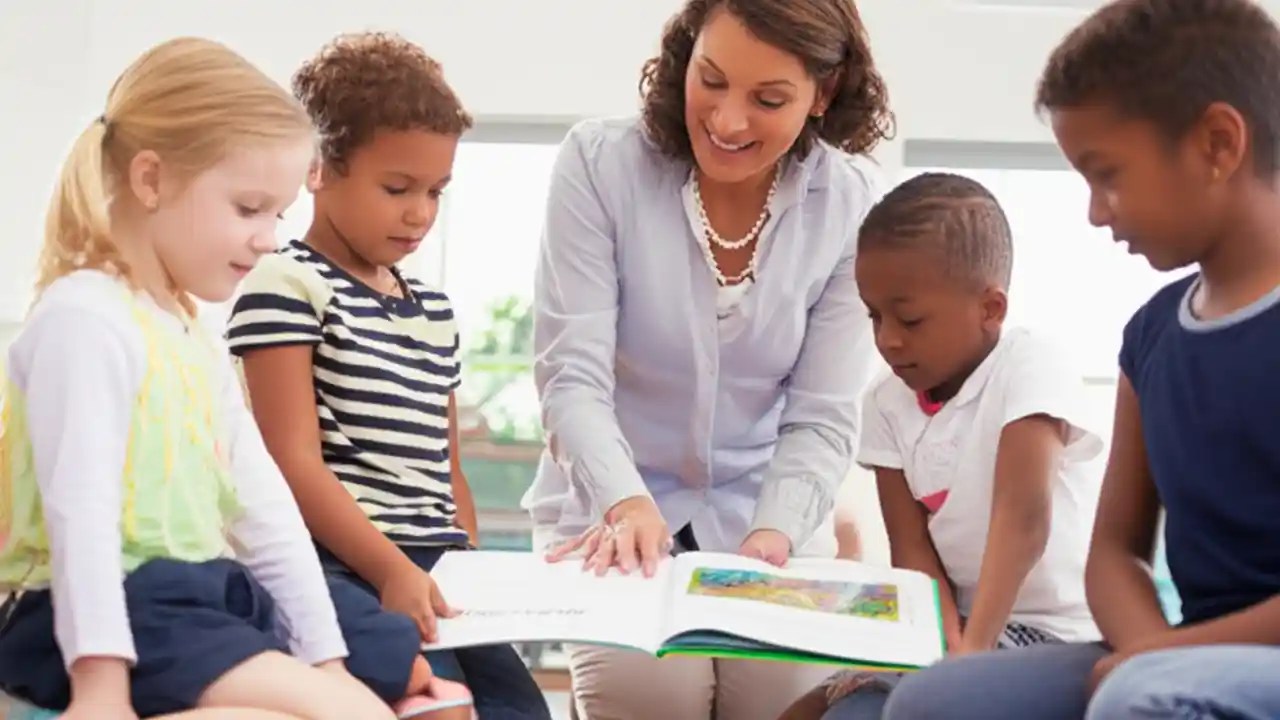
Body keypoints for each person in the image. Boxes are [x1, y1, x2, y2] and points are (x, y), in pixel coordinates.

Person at [882, 1, 1280, 718]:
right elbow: (1116, 553)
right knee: (929, 703)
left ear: (1219, 143)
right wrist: (1151, 646)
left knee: (1141, 699)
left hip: (1223, 660)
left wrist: (1162, 660)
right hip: (1180, 651)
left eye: (1108, 175)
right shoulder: (1151, 337)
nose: (1097, 212)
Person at [0, 37, 410, 720]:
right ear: (151, 180)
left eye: (278, 214)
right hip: (87, 613)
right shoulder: (86, 318)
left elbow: (264, 507)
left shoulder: (190, 334)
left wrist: (327, 662)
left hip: (194, 594)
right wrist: (101, 688)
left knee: (373, 660)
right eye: (249, 209)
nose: (271, 238)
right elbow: (82, 513)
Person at [529, 0, 893, 716]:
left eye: (768, 99)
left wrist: (772, 540)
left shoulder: (850, 204)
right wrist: (624, 501)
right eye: (712, 80)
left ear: (823, 93)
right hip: (616, 513)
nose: (727, 121)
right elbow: (571, 376)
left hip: (771, 522)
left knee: (785, 704)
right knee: (650, 699)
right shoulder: (600, 165)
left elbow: (821, 415)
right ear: (684, 56)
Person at [225, 32, 549, 720]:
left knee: (522, 711)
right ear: (318, 166)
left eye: (436, 191)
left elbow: (446, 468)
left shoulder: (433, 310)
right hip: (340, 564)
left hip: (431, 564)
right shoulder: (284, 282)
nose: (420, 213)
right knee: (442, 709)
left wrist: (465, 565)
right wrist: (391, 569)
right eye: (397, 188)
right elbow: (290, 463)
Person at [779, 173, 1105, 720]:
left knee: (931, 707)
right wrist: (946, 645)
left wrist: (971, 655)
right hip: (951, 626)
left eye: (909, 319)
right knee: (812, 712)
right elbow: (913, 552)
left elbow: (1023, 519)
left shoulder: (1029, 366)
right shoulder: (885, 404)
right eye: (874, 316)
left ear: (991, 309)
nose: (887, 339)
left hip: (1055, 635)